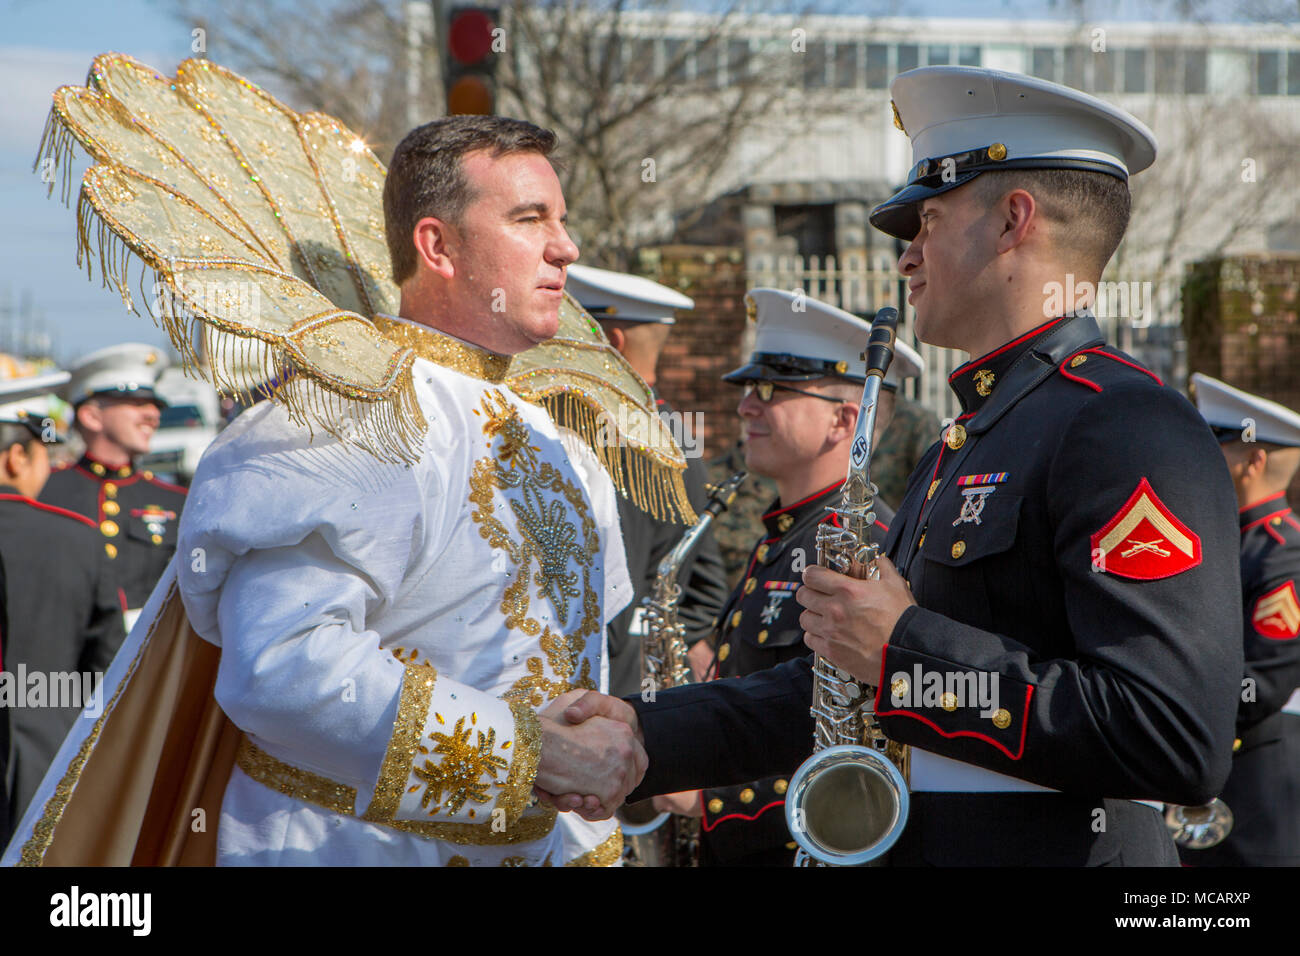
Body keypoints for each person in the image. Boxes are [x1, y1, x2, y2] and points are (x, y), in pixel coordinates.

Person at [557, 66, 1243, 866]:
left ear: (1013, 220)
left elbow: (1172, 735)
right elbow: (845, 682)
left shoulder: (1123, 422)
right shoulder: (977, 433)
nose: (907, 256)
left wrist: (904, 648)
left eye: (928, 222)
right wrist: (644, 730)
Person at [170, 115, 646, 867]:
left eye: (562, 219)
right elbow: (283, 668)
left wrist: (603, 740)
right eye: (530, 219)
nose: (566, 246)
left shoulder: (566, 444)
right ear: (437, 246)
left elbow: (567, 666)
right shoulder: (348, 417)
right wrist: (524, 754)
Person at [652, 288, 922, 866]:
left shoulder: (862, 546)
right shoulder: (787, 534)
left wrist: (712, 798)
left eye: (771, 390)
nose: (746, 406)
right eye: (747, 390)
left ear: (842, 420)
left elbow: (866, 748)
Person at [564, 263, 728, 697]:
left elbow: (610, 609)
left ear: (610, 341)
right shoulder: (672, 427)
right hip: (645, 678)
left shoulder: (617, 438)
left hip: (605, 686)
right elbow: (708, 591)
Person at [1187, 374, 1300, 866]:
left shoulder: (1284, 554)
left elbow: (1263, 681)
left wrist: (1169, 710)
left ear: (1253, 461)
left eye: (1218, 447)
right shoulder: (1220, 540)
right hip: (1206, 765)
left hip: (1252, 778)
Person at [0, 389, 125, 830]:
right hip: (51, 752)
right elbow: (108, 664)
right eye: (41, 458)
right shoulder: (78, 539)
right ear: (16, 457)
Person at [39, 344, 187, 630]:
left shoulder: (178, 502)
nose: (153, 415)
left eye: (155, 406)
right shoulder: (44, 492)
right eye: (137, 404)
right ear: (91, 417)